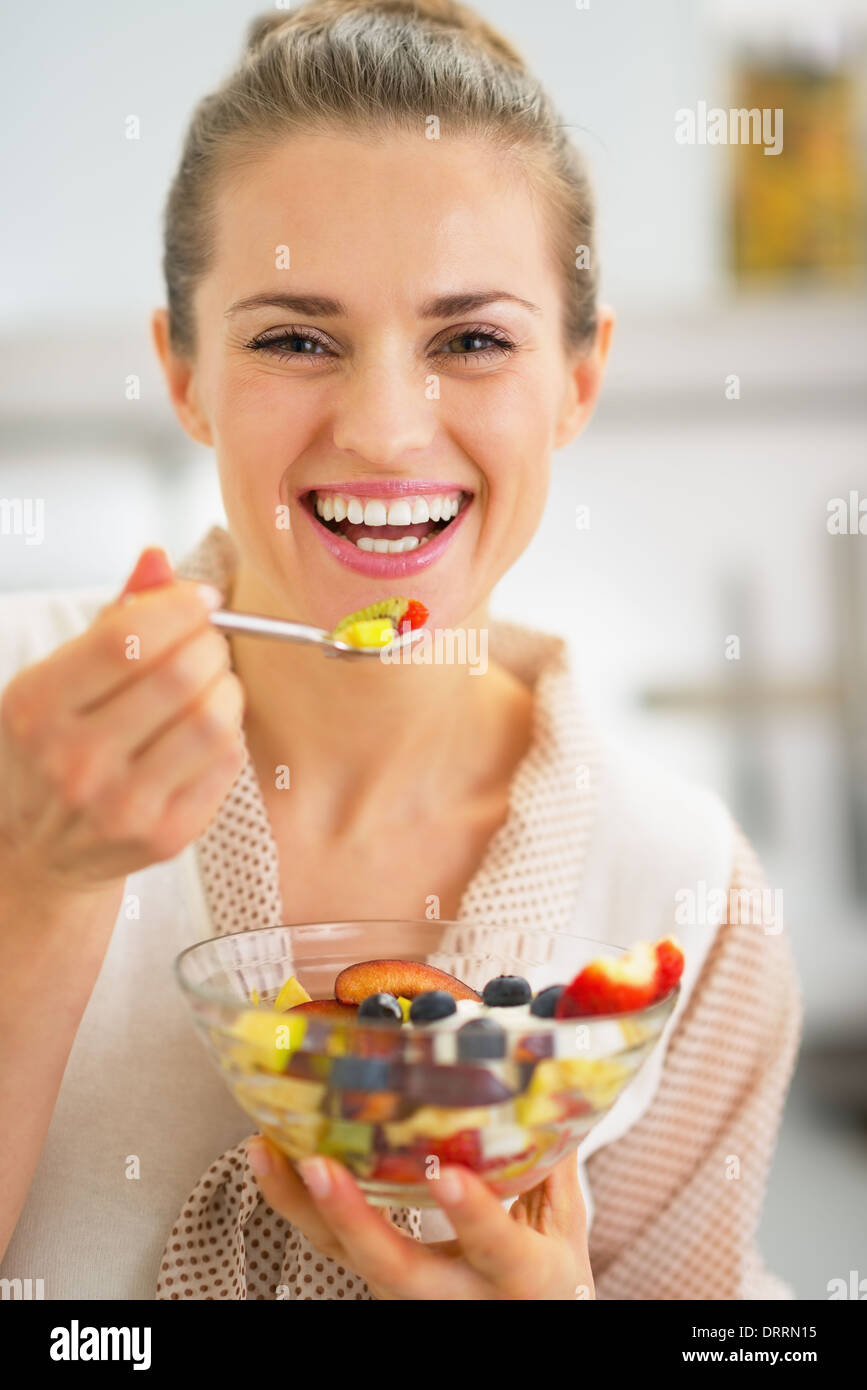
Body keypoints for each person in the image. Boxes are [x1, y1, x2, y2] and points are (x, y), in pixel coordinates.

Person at [0, 0, 800, 1301]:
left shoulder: (689, 897)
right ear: (185, 371)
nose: (382, 430)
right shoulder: (12, 705)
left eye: (472, 341)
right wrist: (34, 881)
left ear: (579, 383)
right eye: (293, 338)